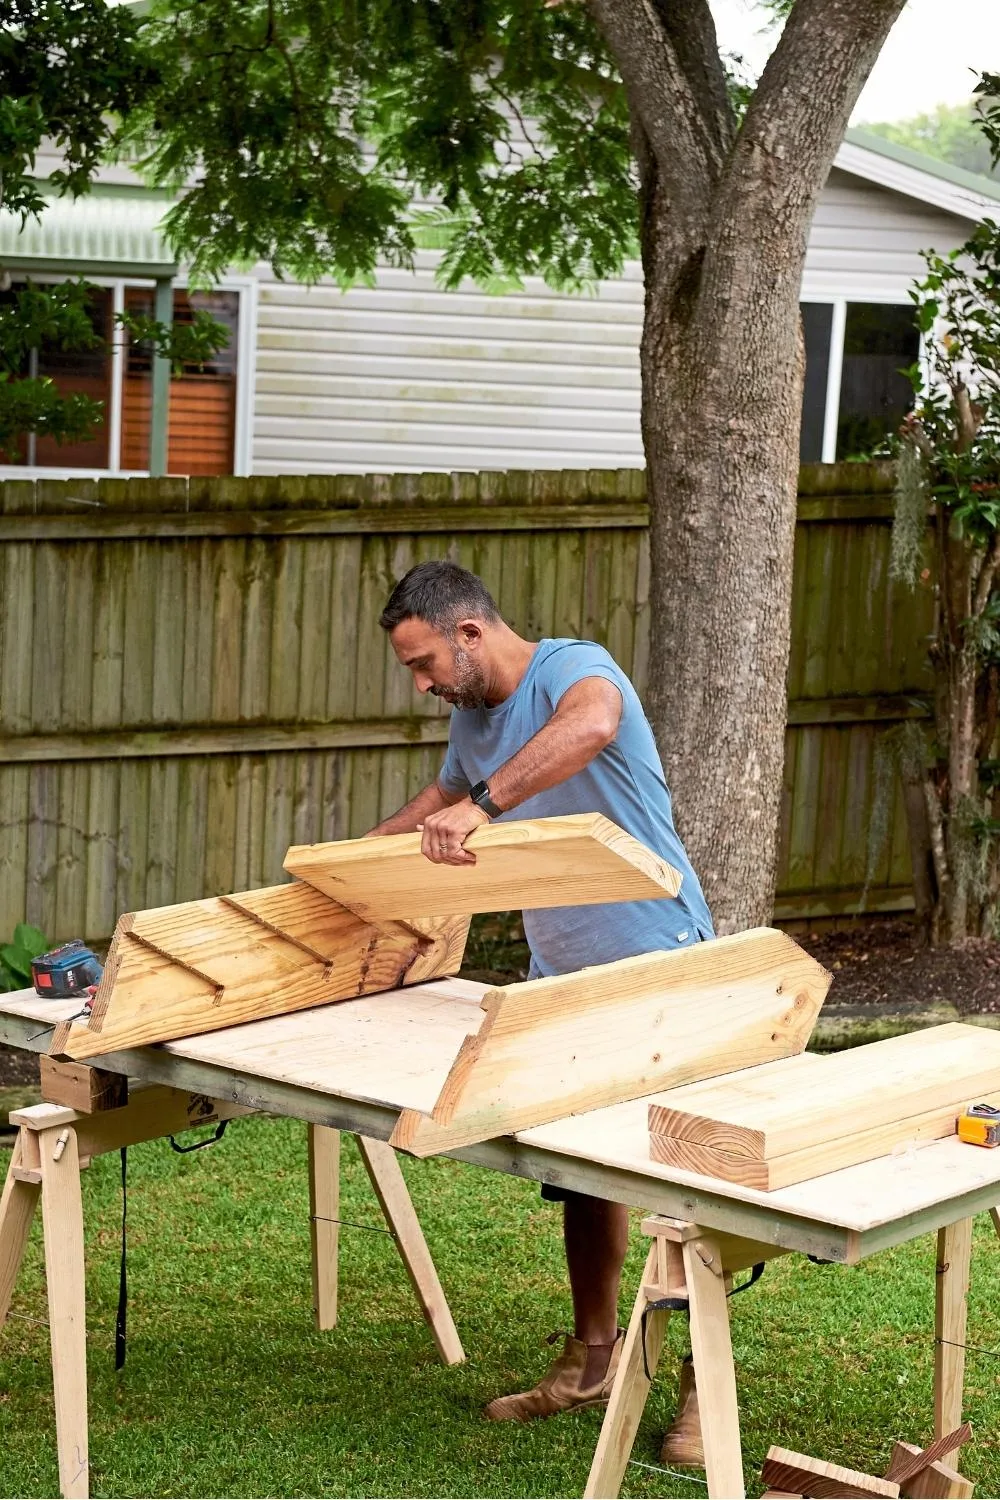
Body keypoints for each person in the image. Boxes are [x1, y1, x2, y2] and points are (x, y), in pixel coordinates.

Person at [368, 559, 714, 1434]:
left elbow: (592, 727)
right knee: (581, 1173)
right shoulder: (475, 722)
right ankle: (594, 1359)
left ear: (470, 634)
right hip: (559, 972)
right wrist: (350, 863)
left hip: (656, 958)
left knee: (686, 1182)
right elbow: (436, 802)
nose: (422, 684)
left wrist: (483, 807)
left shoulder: (573, 668)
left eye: (426, 664)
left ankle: (705, 1388)